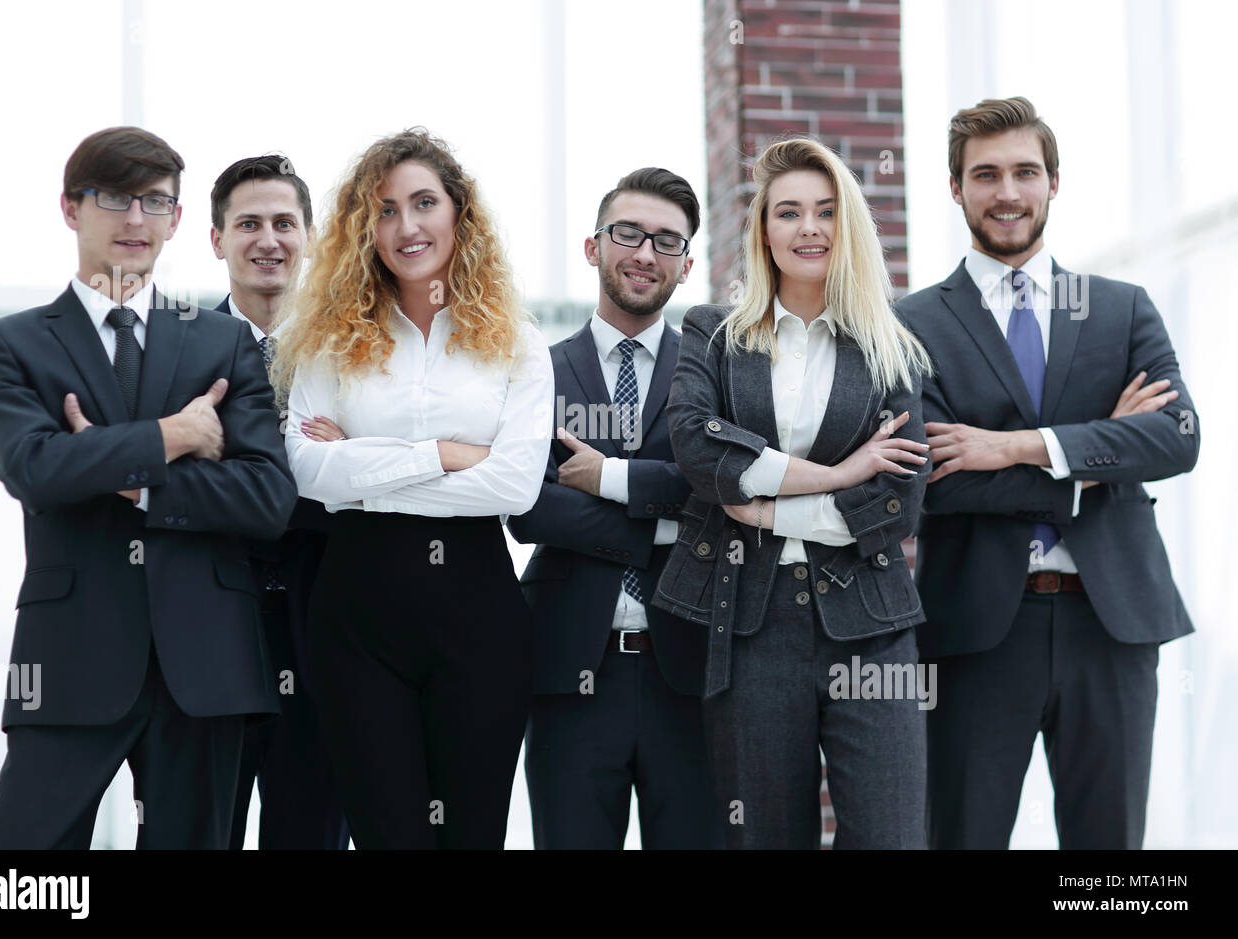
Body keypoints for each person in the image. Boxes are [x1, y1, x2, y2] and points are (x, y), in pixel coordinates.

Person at [0, 126, 296, 849]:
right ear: (69, 208)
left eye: (155, 202)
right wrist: (174, 438)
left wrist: (123, 475)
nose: (135, 220)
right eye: (113, 197)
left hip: (207, 663)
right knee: (26, 880)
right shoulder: (10, 343)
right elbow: (33, 468)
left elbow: (268, 498)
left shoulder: (222, 343)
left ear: (179, 220)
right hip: (68, 658)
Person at [896, 97, 1199, 849]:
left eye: (1026, 172)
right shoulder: (909, 324)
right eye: (986, 174)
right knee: (962, 836)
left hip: (1114, 621)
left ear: (1054, 182)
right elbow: (937, 477)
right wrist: (1095, 459)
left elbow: (1176, 437)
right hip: (975, 628)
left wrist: (1014, 445)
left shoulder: (1120, 309)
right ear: (956, 188)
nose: (1007, 192)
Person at [273, 128, 554, 849]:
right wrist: (451, 454)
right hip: (357, 620)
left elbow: (516, 485)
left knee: (470, 837)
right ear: (365, 228)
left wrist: (365, 469)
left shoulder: (516, 342)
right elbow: (308, 471)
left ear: (459, 213)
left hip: (481, 620)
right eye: (386, 209)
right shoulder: (331, 338)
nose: (406, 226)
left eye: (423, 203)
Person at [655, 136, 933, 849]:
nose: (808, 227)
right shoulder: (712, 334)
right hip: (750, 619)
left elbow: (900, 499)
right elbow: (699, 448)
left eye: (825, 211)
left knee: (893, 835)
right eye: (788, 213)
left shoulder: (887, 344)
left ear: (847, 228)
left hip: (870, 622)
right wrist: (842, 474)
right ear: (763, 231)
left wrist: (773, 507)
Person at [507, 168, 721, 849]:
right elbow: (528, 506)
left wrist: (610, 479)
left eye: (666, 241)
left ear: (687, 265)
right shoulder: (536, 369)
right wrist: (668, 520)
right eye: (628, 233)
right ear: (593, 246)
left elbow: (719, 491)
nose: (645, 253)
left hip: (687, 668)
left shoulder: (714, 371)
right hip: (570, 665)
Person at [208, 154, 349, 850]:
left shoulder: (355, 353)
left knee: (312, 831)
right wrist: (329, 461)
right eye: (249, 223)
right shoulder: (177, 353)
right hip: (207, 630)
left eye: (284, 222)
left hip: (327, 629)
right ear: (217, 240)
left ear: (311, 237)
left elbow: (370, 484)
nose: (269, 239)